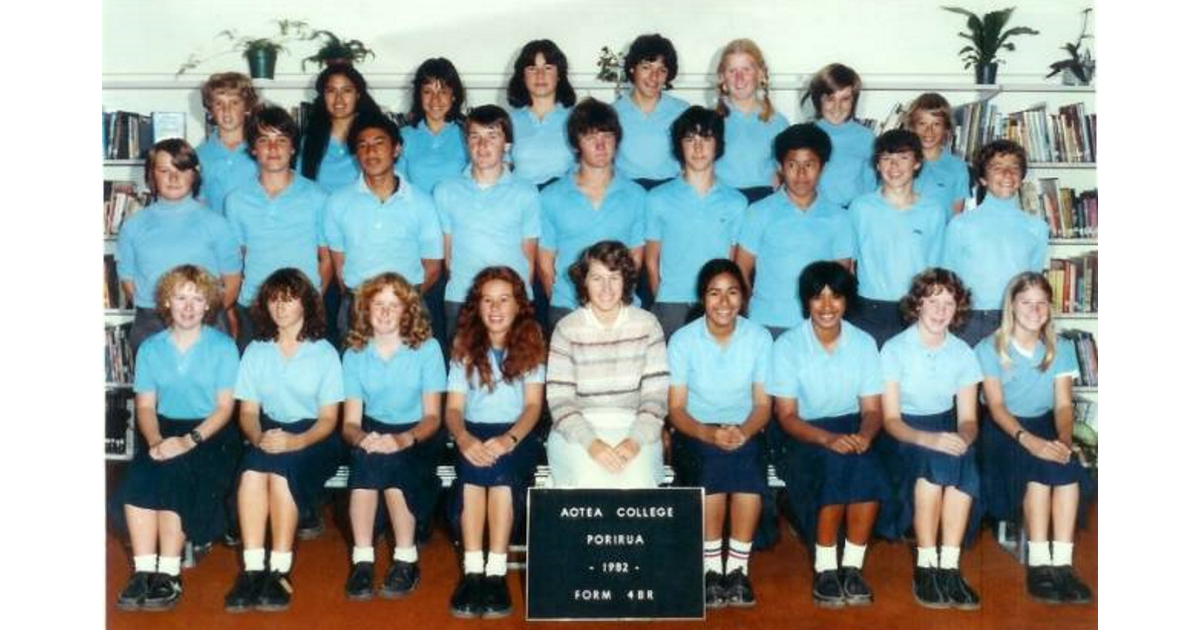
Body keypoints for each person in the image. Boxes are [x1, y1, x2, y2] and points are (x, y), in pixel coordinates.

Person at [113, 265, 241, 611]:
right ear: (166, 303)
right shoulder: (151, 348)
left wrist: (189, 441)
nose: (188, 306)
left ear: (208, 306)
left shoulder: (223, 347)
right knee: (140, 477)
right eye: (180, 297)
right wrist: (155, 442)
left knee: (177, 473)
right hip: (163, 427)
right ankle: (142, 572)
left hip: (211, 432)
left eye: (197, 299)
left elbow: (225, 408)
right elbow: (145, 407)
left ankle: (168, 573)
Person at [769, 261, 890, 608]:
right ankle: (825, 569)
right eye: (817, 297)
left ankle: (851, 567)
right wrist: (827, 439)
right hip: (801, 434)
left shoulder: (864, 343)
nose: (826, 306)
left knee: (867, 468)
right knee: (834, 467)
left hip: (852, 427)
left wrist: (865, 436)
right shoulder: (788, 345)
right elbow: (786, 416)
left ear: (846, 301)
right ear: (805, 301)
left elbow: (872, 410)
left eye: (835, 297)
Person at [223, 268, 344, 613]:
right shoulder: (256, 351)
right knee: (251, 475)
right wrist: (259, 436)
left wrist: (296, 442)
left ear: (306, 304)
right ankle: (252, 568)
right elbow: (247, 413)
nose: (280, 307)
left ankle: (279, 568)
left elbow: (329, 420)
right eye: (274, 299)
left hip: (314, 437)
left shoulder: (324, 353)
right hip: (269, 433)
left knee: (279, 474)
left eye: (289, 299)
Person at [975, 272, 1093, 604]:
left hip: (1044, 424)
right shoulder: (990, 347)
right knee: (1038, 477)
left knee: (1067, 475)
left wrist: (1064, 441)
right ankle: (1040, 564)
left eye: (1042, 303)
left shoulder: (1060, 349)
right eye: (1026, 302)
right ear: (1011, 306)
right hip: (1005, 431)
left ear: (1049, 309)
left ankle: (1063, 564)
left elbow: (1064, 405)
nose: (1034, 309)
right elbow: (996, 407)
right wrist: (1030, 441)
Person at [666, 259, 772, 608]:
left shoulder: (758, 338)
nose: (723, 302)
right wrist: (709, 434)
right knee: (710, 465)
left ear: (743, 297)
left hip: (745, 430)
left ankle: (738, 570)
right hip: (696, 431)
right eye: (714, 293)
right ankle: (712, 570)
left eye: (732, 292)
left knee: (746, 466)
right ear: (702, 297)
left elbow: (762, 405)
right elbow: (676, 409)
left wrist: (741, 432)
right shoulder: (683, 340)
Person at [879, 268, 984, 610]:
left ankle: (950, 566)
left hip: (945, 429)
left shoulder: (963, 353)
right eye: (933, 301)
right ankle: (926, 565)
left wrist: (962, 440)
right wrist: (931, 440)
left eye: (949, 303)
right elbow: (891, 420)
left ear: (958, 309)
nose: (940, 311)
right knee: (933, 466)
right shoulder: (894, 350)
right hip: (904, 434)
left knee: (962, 461)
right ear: (918, 304)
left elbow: (969, 420)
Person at [445, 267, 546, 619]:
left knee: (501, 474)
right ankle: (473, 572)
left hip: (517, 433)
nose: (496, 307)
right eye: (488, 300)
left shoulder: (532, 340)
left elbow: (534, 406)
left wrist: (509, 439)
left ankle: (497, 572)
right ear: (477, 306)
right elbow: (453, 409)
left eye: (504, 299)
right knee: (473, 471)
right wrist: (463, 438)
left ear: (519, 305)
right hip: (472, 430)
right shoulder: (463, 343)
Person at [341, 272, 446, 602]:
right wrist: (363, 440)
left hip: (419, 434)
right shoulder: (354, 353)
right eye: (377, 305)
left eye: (394, 305)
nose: (384, 313)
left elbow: (433, 417)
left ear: (408, 311)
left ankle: (405, 559)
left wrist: (403, 440)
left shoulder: (427, 349)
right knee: (367, 461)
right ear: (365, 310)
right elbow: (350, 424)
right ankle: (362, 561)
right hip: (373, 429)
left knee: (395, 462)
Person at [545, 241, 668, 488]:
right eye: (597, 278)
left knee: (637, 479)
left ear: (626, 281)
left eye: (614, 278)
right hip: (577, 432)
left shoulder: (648, 324)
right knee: (587, 477)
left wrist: (634, 442)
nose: (606, 289)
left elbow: (656, 397)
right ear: (584, 282)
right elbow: (560, 401)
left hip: (636, 429)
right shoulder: (566, 328)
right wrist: (592, 445)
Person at [324, 112, 443, 342]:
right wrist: (364, 302)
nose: (371, 152)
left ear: (396, 149)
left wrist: (402, 301)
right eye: (363, 145)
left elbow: (433, 266)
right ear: (356, 154)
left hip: (409, 307)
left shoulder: (422, 202)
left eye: (379, 143)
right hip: (355, 308)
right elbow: (340, 267)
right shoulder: (337, 203)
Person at [116, 138, 242, 355]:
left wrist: (201, 316)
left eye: (181, 170)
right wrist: (161, 314)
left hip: (205, 322)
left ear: (193, 175)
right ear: (151, 175)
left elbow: (232, 280)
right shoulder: (133, 225)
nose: (173, 178)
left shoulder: (216, 223)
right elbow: (128, 281)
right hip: (152, 324)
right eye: (164, 170)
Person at [224, 105, 331, 349]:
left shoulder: (318, 196)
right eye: (264, 140)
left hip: (302, 308)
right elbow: (235, 262)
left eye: (281, 140)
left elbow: (326, 260)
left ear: (293, 148)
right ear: (253, 148)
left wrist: (311, 300)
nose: (273, 148)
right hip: (253, 307)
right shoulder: (236, 200)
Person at [538, 98, 646, 333]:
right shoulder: (550, 196)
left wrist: (615, 300)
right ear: (576, 143)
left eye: (606, 136)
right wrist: (565, 302)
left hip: (622, 311)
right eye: (590, 137)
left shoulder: (636, 195)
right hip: (567, 309)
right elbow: (545, 265)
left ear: (617, 140)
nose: (600, 145)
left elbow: (635, 259)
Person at [435, 105, 540, 344]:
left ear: (507, 145)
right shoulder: (445, 191)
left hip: (511, 301)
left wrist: (518, 300)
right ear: (467, 142)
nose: (482, 146)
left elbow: (529, 257)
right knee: (462, 376)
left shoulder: (526, 192)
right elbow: (448, 256)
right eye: (475, 136)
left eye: (492, 136)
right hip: (462, 298)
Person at [736, 123, 852, 337]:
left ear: (822, 167)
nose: (800, 174)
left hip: (816, 325)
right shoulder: (759, 212)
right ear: (780, 167)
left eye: (809, 165)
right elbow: (741, 270)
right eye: (792, 165)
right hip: (765, 323)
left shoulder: (839, 218)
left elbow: (841, 278)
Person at [645, 106, 747, 340]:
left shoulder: (736, 202)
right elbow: (651, 260)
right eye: (690, 139)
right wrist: (662, 297)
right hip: (671, 303)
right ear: (679, 146)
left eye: (706, 138)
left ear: (718, 144)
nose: (698, 148)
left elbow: (734, 261)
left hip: (718, 303)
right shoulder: (658, 198)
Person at [942, 139, 1048, 346]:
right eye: (997, 168)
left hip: (1017, 319)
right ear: (982, 178)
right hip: (970, 321)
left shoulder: (1036, 228)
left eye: (1014, 168)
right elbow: (949, 279)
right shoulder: (961, 225)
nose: (1007, 174)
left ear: (1021, 176)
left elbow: (1033, 281)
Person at [848, 129, 946, 348]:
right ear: (877, 165)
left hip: (915, 308)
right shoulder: (861, 208)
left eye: (903, 158)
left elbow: (936, 270)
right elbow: (849, 264)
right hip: (868, 308)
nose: (894, 167)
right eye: (887, 159)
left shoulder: (933, 211)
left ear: (917, 163)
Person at [713, 39, 788, 203]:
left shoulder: (778, 123)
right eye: (732, 71)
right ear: (722, 77)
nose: (739, 78)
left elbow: (787, 170)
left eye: (746, 69)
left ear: (760, 74)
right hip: (722, 203)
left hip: (764, 204)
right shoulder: (710, 122)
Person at [613, 33, 689, 189]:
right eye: (646, 67)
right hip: (626, 193)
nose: (654, 76)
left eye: (662, 70)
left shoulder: (682, 111)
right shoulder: (612, 113)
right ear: (633, 68)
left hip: (669, 193)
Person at [298, 62, 385, 193]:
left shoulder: (374, 140)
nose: (339, 99)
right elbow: (300, 188)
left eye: (347, 91)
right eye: (331, 91)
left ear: (358, 95)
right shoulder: (308, 142)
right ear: (323, 96)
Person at [506, 39, 577, 189]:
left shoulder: (577, 119)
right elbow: (500, 169)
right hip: (521, 203)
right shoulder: (508, 121)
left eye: (548, 68)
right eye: (532, 68)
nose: (540, 75)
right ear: (522, 76)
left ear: (559, 75)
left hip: (564, 202)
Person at [804, 63, 876, 209]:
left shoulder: (867, 138)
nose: (837, 107)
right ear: (818, 100)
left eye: (845, 99)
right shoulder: (805, 136)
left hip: (853, 214)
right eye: (830, 99)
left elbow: (871, 187)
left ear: (854, 100)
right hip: (816, 214)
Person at [398, 57, 469, 195]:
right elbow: (399, 187)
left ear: (453, 96)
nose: (435, 100)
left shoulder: (468, 134)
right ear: (418, 95)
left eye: (443, 92)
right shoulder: (404, 136)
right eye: (427, 92)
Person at [196, 72, 259, 215]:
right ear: (210, 110)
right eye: (219, 103)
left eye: (234, 103)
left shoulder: (261, 151)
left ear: (247, 108)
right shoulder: (199, 155)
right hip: (215, 233)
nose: (226, 110)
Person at [905, 92, 970, 220]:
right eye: (922, 124)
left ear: (946, 128)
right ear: (912, 126)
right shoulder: (901, 163)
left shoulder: (957, 168)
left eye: (936, 124)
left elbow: (956, 217)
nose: (929, 131)